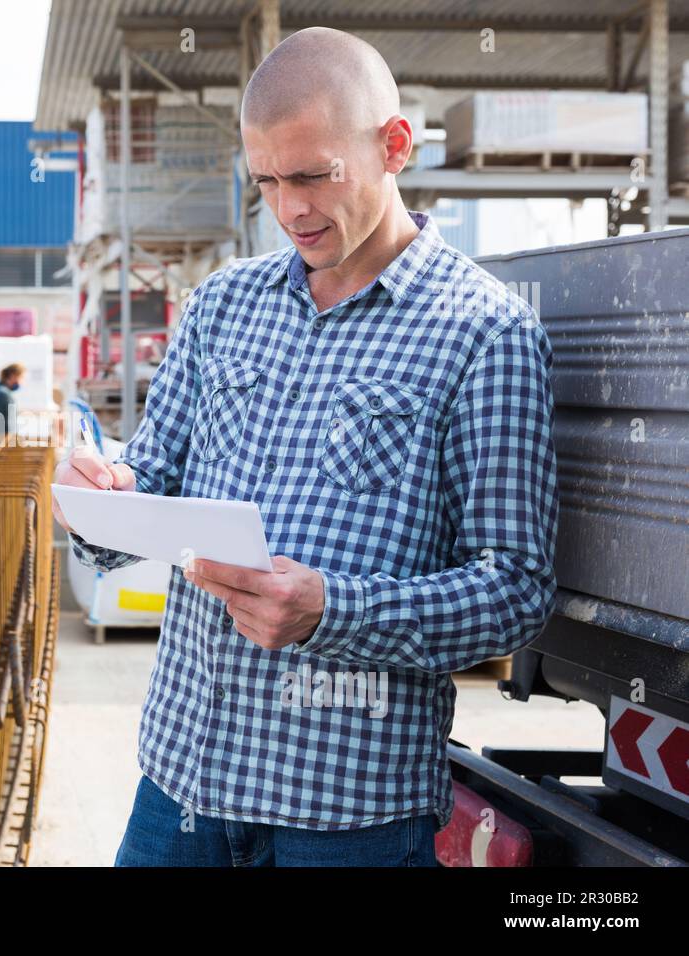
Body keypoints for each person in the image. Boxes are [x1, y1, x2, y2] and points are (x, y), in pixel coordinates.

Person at [53, 27, 558, 867]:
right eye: (268, 182)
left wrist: (334, 610)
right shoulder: (223, 306)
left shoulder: (485, 334)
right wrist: (105, 494)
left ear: (394, 146)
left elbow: (515, 589)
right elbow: (155, 473)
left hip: (349, 819)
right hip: (183, 789)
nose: (291, 210)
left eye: (315, 176)